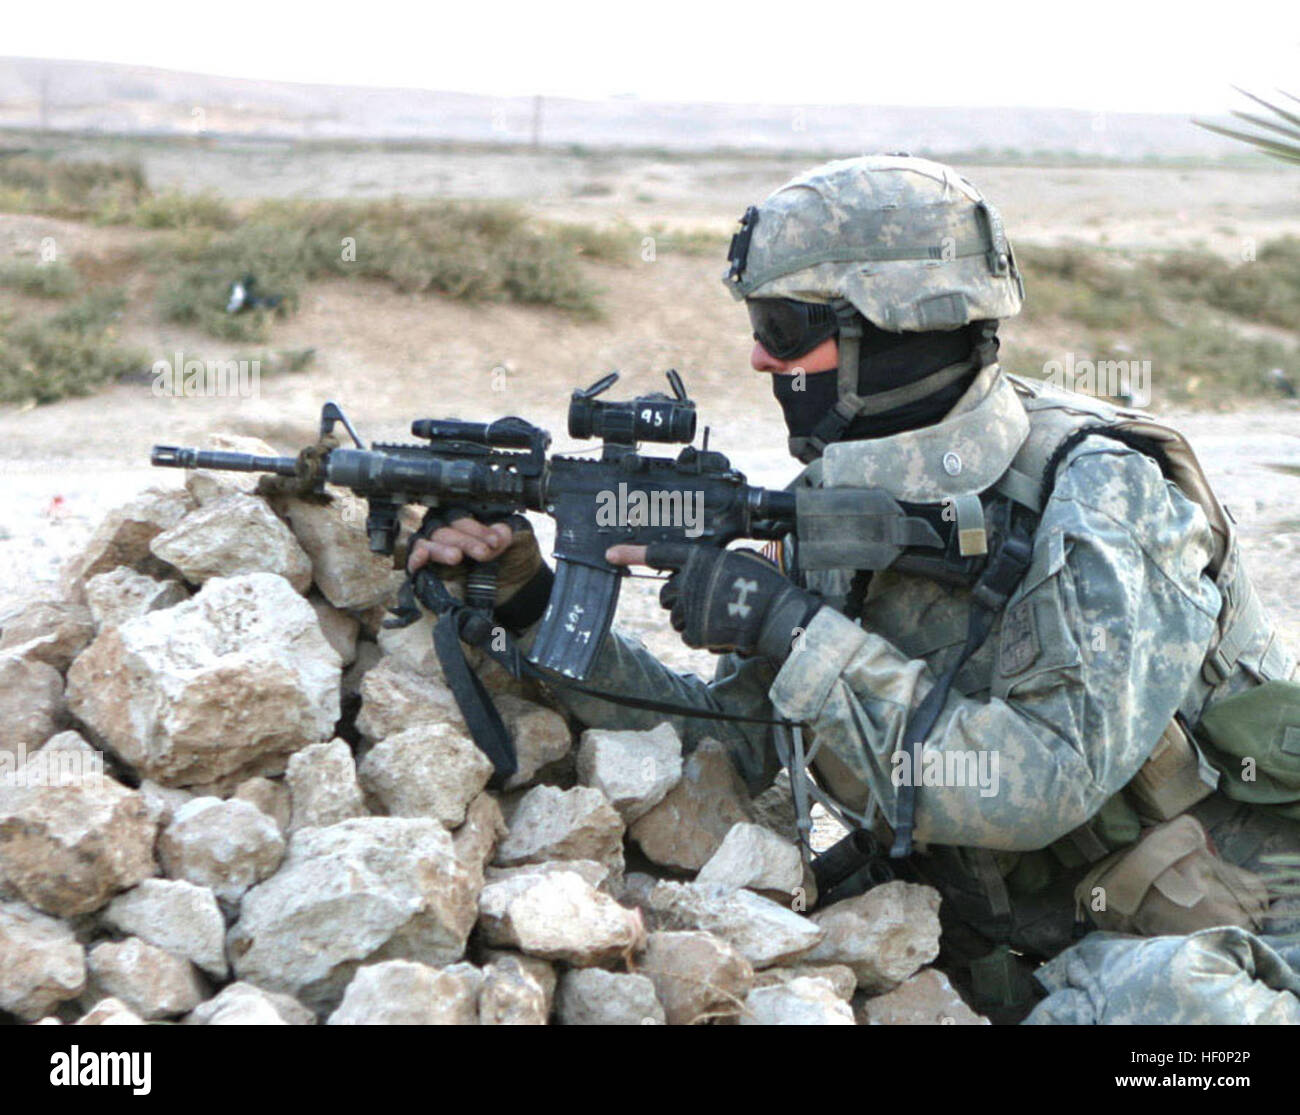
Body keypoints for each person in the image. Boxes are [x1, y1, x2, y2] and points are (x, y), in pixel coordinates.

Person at [408, 155, 1300, 1023]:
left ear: (898, 327)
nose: (762, 360)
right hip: (1018, 953)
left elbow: (1041, 782)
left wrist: (796, 632)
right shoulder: (833, 507)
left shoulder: (1104, 490)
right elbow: (737, 753)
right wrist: (530, 597)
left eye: (787, 328)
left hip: (1238, 934)